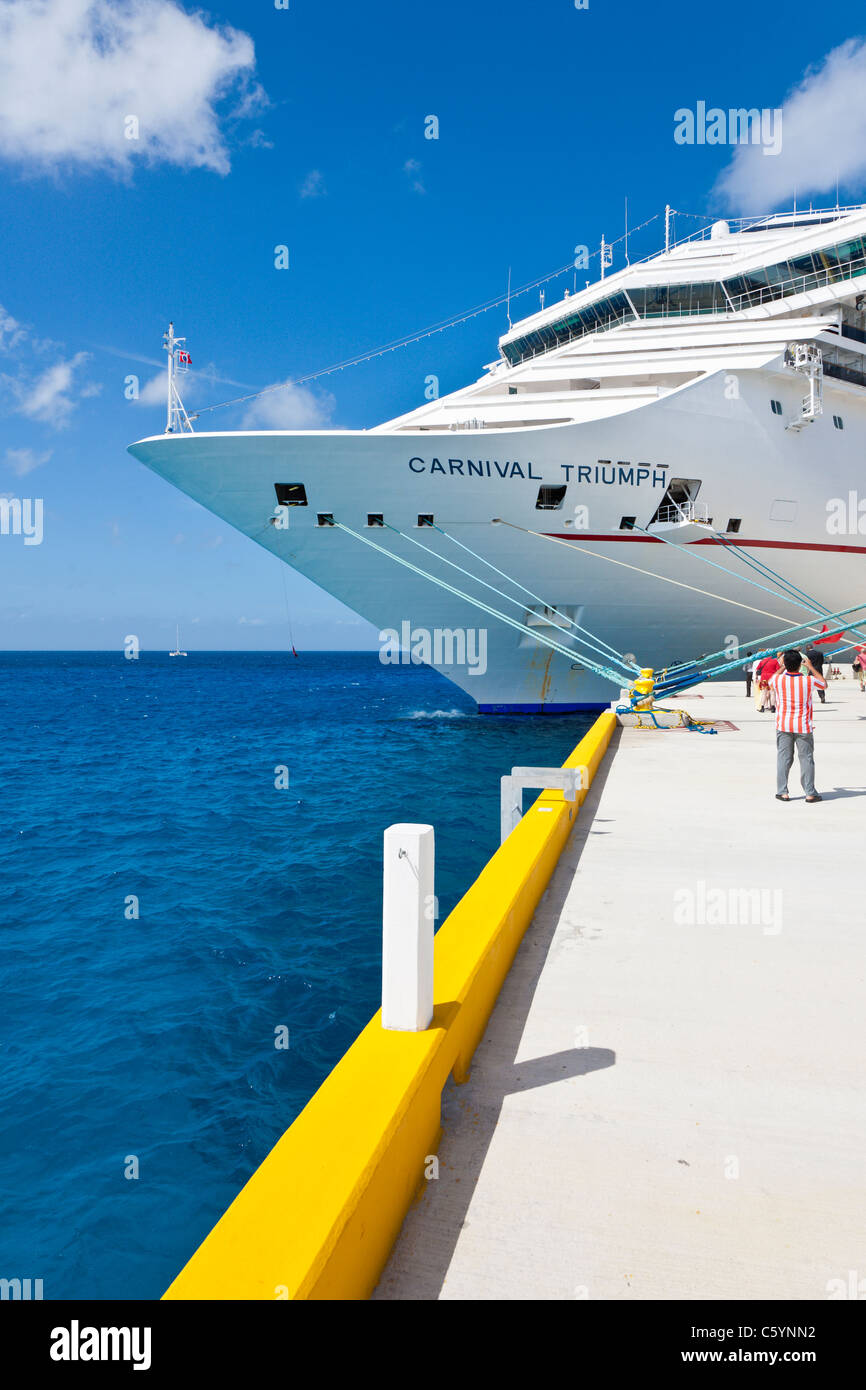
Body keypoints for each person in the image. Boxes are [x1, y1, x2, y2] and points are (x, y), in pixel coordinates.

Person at [769, 649, 827, 803]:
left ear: (786, 663)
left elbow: (771, 680)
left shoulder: (778, 681)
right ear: (800, 664)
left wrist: (782, 666)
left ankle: (783, 792)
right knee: (806, 759)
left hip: (783, 725)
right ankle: (810, 793)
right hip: (803, 726)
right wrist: (810, 667)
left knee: (784, 759)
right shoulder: (808, 681)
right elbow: (824, 684)